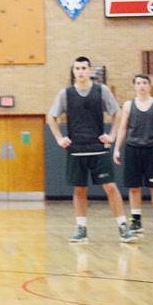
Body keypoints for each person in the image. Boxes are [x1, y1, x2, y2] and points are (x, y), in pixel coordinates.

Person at [47, 56, 136, 243]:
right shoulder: (65, 94)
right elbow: (51, 117)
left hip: (98, 148)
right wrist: (59, 138)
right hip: (76, 149)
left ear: (90, 70)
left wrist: (112, 135)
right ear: (73, 71)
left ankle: (123, 227)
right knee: (79, 190)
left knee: (111, 187)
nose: (80, 71)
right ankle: (81, 229)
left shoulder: (101, 90)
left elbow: (117, 113)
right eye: (77, 68)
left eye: (83, 68)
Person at [113, 74, 153, 235]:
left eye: (144, 83)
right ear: (134, 86)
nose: (141, 86)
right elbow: (123, 128)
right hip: (132, 149)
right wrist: (116, 148)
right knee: (134, 188)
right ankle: (136, 221)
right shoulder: (128, 105)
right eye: (138, 83)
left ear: (149, 86)